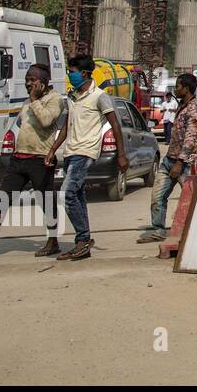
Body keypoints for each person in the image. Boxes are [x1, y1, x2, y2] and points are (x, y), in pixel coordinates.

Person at [0, 64, 64, 262]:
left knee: (46, 202)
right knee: (1, 200)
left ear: (42, 83)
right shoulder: (28, 102)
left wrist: (34, 100)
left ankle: (53, 242)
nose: (27, 84)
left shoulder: (55, 99)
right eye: (26, 80)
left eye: (31, 80)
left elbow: (45, 120)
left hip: (40, 159)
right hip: (19, 159)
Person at [49, 54, 129, 262]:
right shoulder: (72, 97)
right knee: (78, 197)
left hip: (86, 152)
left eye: (72, 72)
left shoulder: (100, 96)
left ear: (84, 73)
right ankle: (83, 242)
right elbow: (66, 128)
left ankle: (83, 240)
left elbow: (115, 125)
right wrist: (53, 150)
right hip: (70, 152)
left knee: (67, 194)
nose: (70, 75)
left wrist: (121, 155)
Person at [138, 74, 197, 243]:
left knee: (191, 200)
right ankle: (158, 230)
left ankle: (196, 230)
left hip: (184, 163)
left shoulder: (192, 109)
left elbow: (190, 139)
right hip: (169, 160)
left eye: (178, 86)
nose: (176, 89)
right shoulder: (182, 105)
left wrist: (180, 163)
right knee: (157, 197)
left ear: (186, 89)